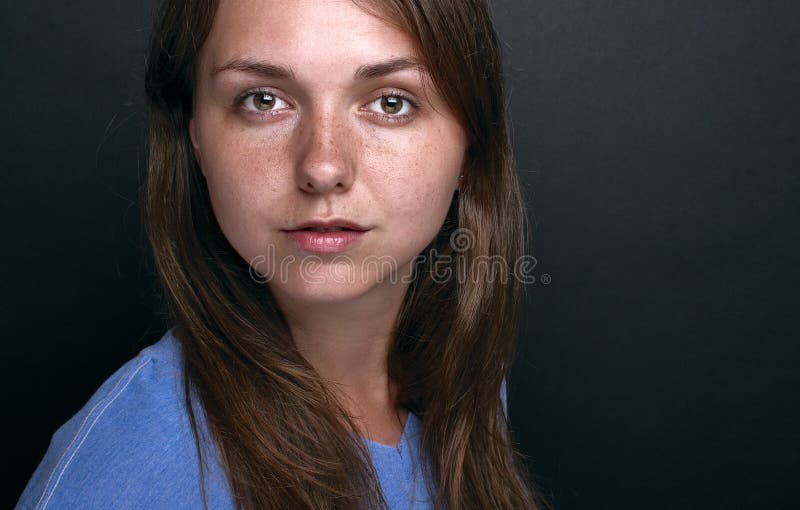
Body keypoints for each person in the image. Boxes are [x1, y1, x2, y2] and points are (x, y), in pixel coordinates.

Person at [17, 0, 549, 508]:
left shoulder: (463, 383)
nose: (322, 166)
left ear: (470, 150)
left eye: (391, 102)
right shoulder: (126, 470)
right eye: (263, 100)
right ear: (196, 137)